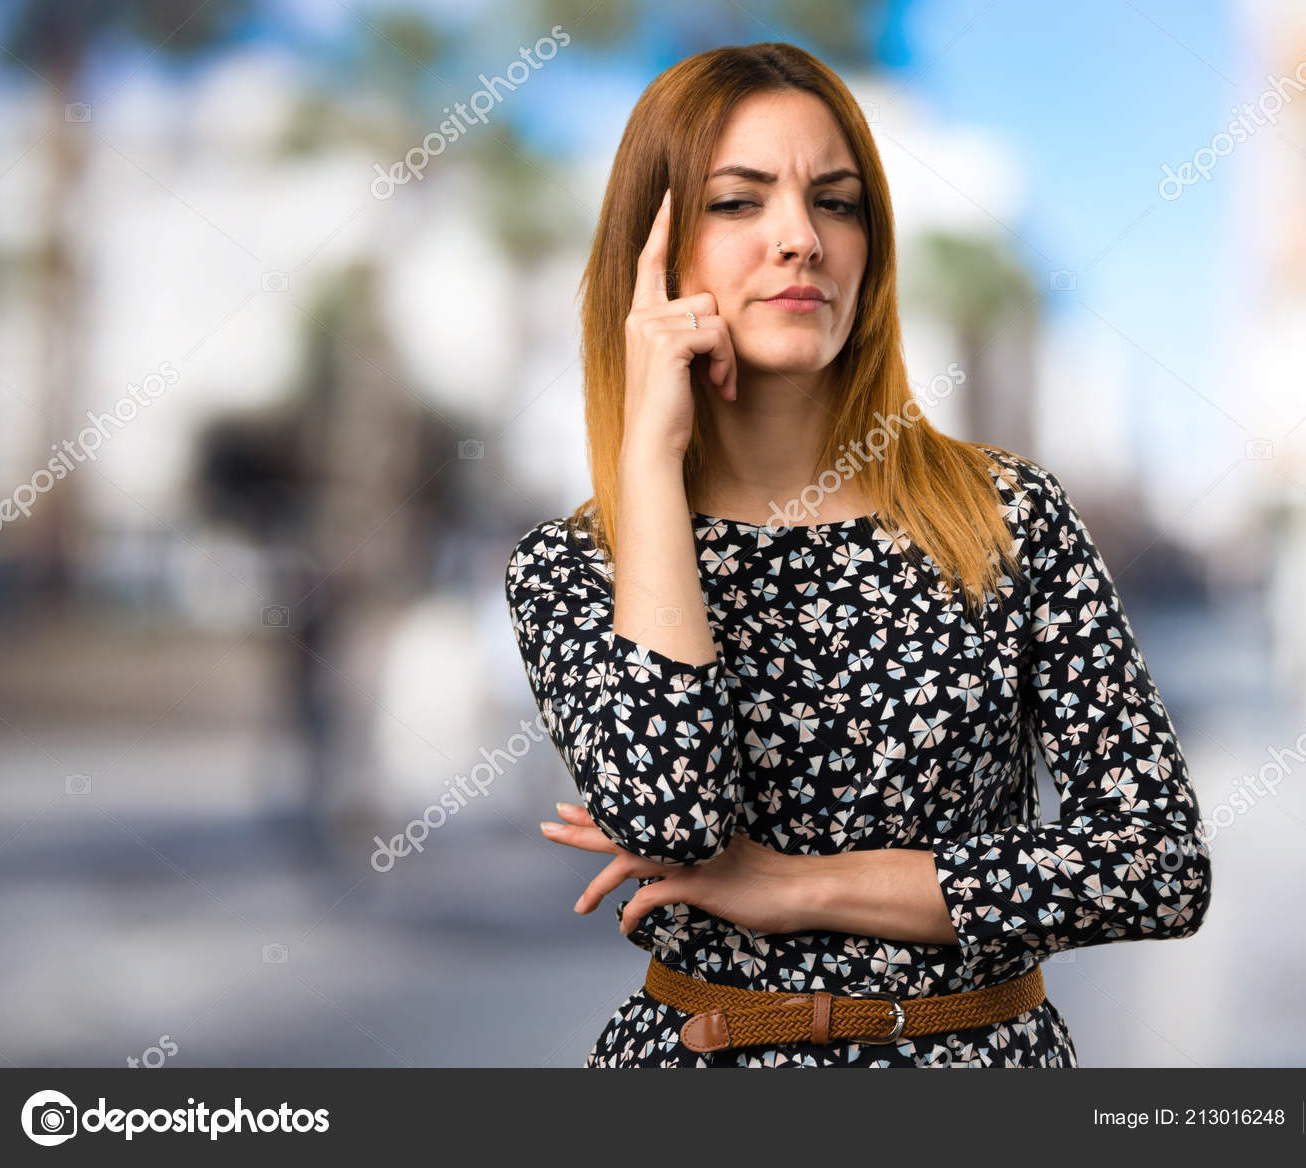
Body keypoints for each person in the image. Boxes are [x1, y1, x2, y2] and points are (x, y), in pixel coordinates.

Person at [506, 41, 1211, 1068]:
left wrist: (797, 884)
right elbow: (673, 814)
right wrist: (649, 463)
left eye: (835, 203)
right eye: (737, 203)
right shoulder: (573, 568)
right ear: (649, 256)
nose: (798, 239)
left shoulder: (1003, 514)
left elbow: (1156, 864)